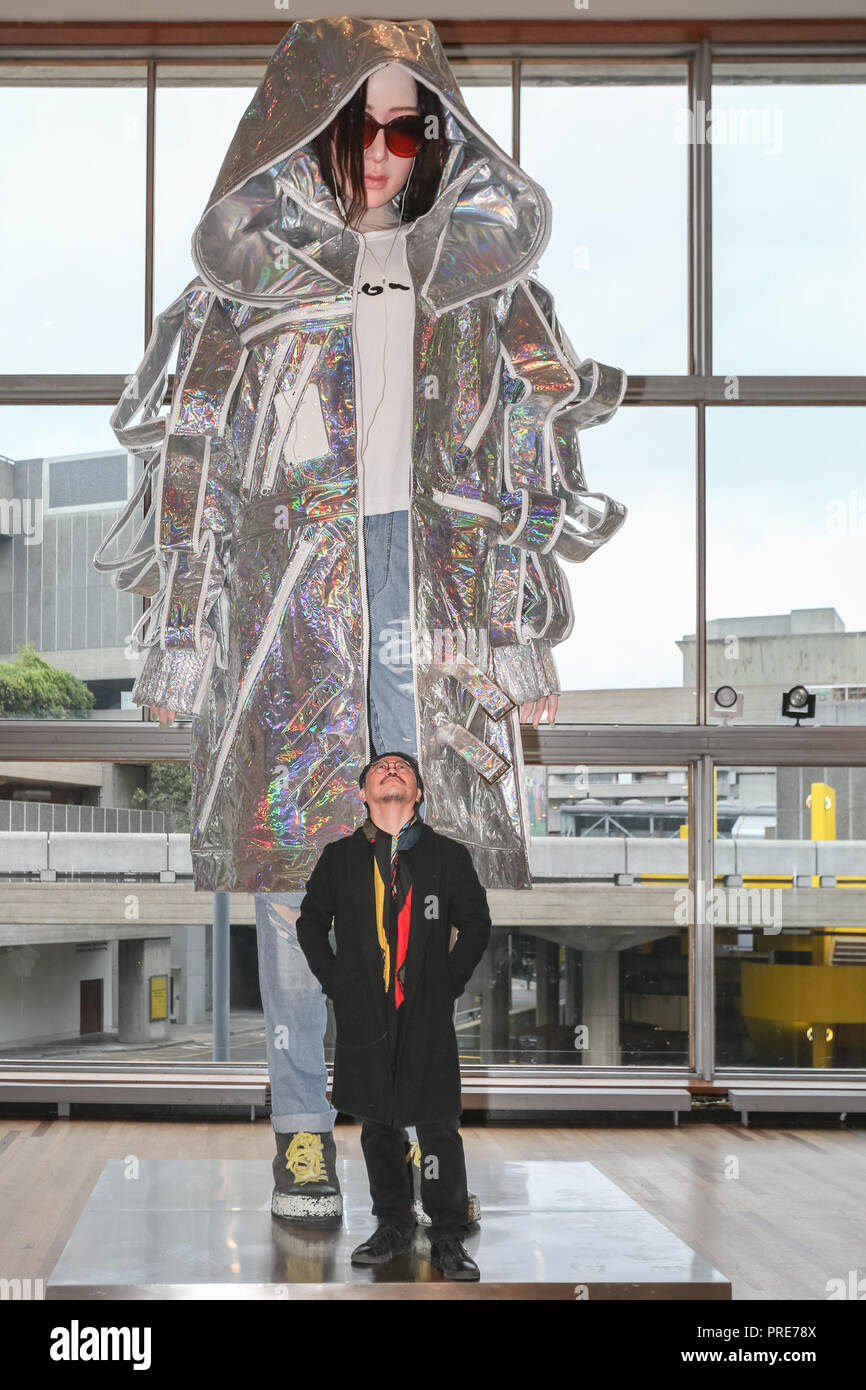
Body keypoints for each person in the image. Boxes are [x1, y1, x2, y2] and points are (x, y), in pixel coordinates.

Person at [93, 17, 627, 1228]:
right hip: (294, 597)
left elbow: (519, 457)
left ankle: (412, 1133)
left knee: (422, 878)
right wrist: (182, 627)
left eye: (409, 126)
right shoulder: (241, 295)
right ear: (309, 129)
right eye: (362, 124)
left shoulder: (488, 288)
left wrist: (512, 627)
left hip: (421, 593)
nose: (385, 152)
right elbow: (197, 463)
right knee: (294, 874)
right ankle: (298, 1135)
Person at [296, 749, 491, 1281]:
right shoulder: (339, 858)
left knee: (438, 1126)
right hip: (365, 1013)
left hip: (426, 1013)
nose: (390, 771)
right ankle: (392, 1224)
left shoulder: (447, 857)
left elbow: (476, 923)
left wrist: (446, 982)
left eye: (402, 769)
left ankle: (448, 1235)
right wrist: (336, 982)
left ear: (418, 793)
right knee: (377, 1125)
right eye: (380, 770)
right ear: (363, 794)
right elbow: (310, 923)